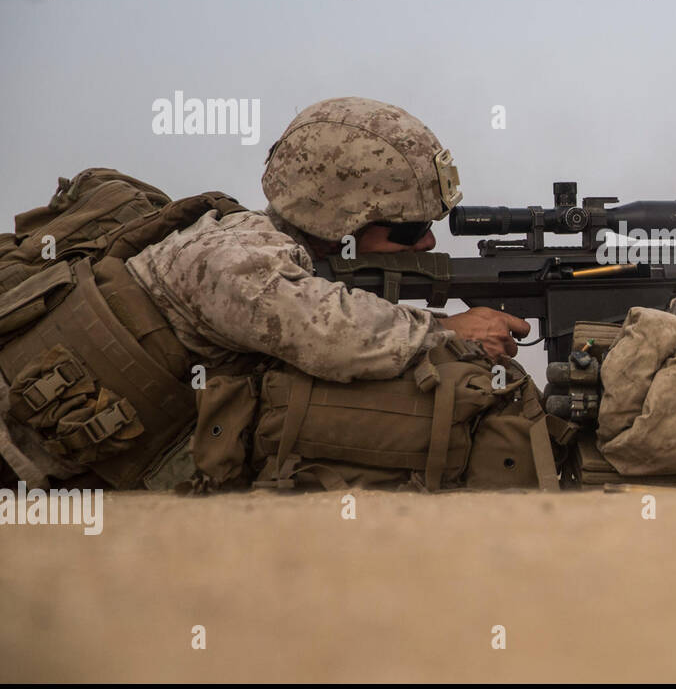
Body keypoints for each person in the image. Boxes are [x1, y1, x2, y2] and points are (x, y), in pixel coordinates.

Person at [0, 96, 531, 490]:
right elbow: (330, 334)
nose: (427, 241)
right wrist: (446, 329)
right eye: (408, 230)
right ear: (337, 221)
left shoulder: (272, 253)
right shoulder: (234, 257)